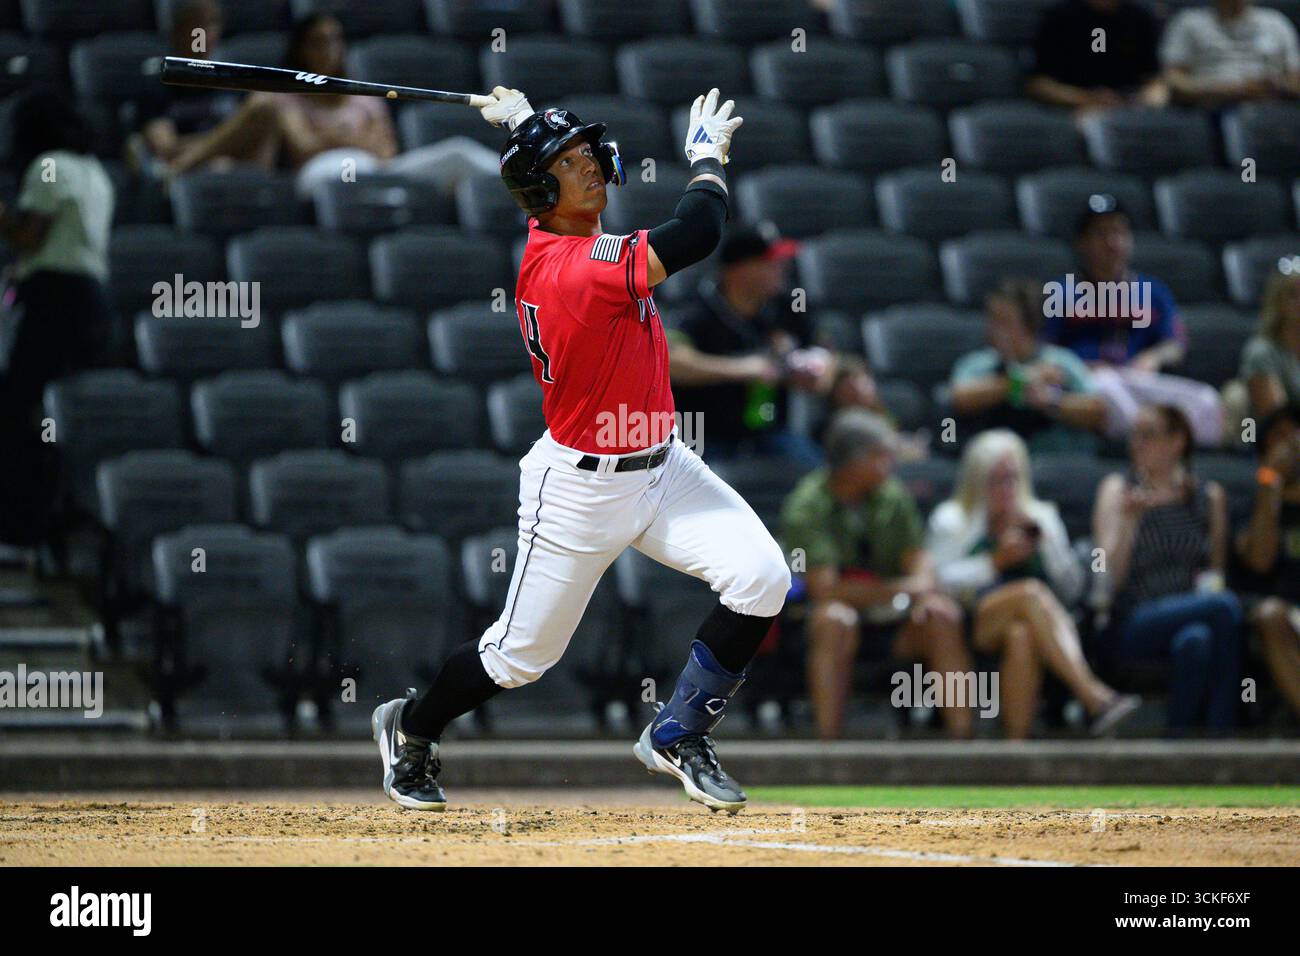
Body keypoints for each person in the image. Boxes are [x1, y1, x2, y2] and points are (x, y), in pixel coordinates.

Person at [372, 88, 792, 814]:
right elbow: (695, 231)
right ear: (541, 190)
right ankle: (411, 729)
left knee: (761, 578)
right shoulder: (574, 266)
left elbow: (594, 219)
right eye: (568, 164)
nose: (591, 167)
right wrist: (706, 159)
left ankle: (679, 732)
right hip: (579, 489)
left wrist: (527, 120)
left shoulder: (572, 239)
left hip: (663, 465)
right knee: (518, 658)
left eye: (588, 154)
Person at [926, 430, 1140, 738]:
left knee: (1022, 634)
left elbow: (1071, 587)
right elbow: (940, 579)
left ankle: (1016, 752)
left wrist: (1046, 544)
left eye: (1012, 478)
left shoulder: (1042, 517)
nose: (1006, 488)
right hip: (971, 620)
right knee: (1030, 594)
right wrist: (995, 562)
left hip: (1034, 621)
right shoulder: (953, 518)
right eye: (995, 479)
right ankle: (1093, 696)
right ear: (977, 480)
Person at [781, 410, 973, 740]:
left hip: (892, 622)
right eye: (880, 456)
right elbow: (826, 590)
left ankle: (965, 746)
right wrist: (904, 587)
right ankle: (829, 750)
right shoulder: (806, 505)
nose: (891, 463)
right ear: (853, 461)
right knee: (835, 619)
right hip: (822, 624)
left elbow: (920, 564)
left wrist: (918, 587)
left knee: (941, 614)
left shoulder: (892, 495)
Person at [169, 12, 499, 199]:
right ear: (301, 49)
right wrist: (351, 138)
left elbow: (385, 151)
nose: (329, 49)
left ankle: (534, 180)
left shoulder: (364, 94)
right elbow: (306, 148)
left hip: (379, 171)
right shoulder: (283, 96)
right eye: (318, 42)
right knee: (341, 171)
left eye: (335, 41)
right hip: (320, 173)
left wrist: (333, 134)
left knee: (459, 152)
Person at [0, 91, 115, 545]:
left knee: (17, 411)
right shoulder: (94, 172)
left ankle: (22, 523)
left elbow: (30, 237)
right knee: (52, 415)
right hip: (90, 301)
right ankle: (49, 517)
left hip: (55, 300)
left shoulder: (48, 167)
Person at [1092, 405, 1242, 733]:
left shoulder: (1208, 497)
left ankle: (1176, 747)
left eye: (1149, 435)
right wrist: (1128, 524)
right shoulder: (1117, 490)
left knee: (1196, 640)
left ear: (1177, 442)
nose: (1137, 444)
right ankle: (1224, 738)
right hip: (1134, 617)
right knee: (1226, 606)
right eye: (1135, 435)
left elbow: (1214, 575)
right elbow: (1103, 575)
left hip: (1193, 609)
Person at [1045, 199, 1225, 446]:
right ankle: (1149, 443)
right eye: (1101, 233)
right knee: (1107, 387)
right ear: (1082, 243)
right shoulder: (1062, 292)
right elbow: (1044, 351)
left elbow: (1175, 344)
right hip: (1087, 384)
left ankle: (1176, 460)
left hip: (1138, 381)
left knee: (1207, 400)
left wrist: (1153, 358)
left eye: (1118, 231)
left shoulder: (1153, 291)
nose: (1111, 242)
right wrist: (1078, 367)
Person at [666, 222, 830, 468]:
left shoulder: (787, 305)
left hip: (770, 432)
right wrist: (744, 369)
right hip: (705, 437)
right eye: (768, 261)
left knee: (817, 473)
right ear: (738, 270)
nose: (780, 268)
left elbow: (825, 353)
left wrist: (813, 369)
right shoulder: (698, 308)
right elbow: (672, 362)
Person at [950, 278, 1106, 454]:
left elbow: (1097, 411)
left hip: (1054, 463)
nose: (993, 329)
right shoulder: (977, 364)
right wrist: (1020, 381)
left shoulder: (1061, 361)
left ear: (1030, 324)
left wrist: (1052, 401)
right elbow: (959, 398)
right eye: (992, 319)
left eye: (1004, 321)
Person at [1237, 403, 1300, 721]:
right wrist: (1270, 481)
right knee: (1270, 616)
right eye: (1280, 438)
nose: (1292, 444)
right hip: (1286, 616)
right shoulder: (1253, 502)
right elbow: (1260, 560)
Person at [132, 0, 243, 174]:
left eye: (211, 23)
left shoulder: (232, 79)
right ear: (177, 33)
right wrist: (226, 142)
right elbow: (166, 147)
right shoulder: (156, 83)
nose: (204, 34)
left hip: (231, 168)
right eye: (196, 26)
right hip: (185, 174)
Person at [1027, 0, 1168, 112]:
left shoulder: (1140, 18)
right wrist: (1086, 99)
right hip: (1070, 107)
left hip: (1128, 109)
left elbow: (1154, 79)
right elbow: (1040, 85)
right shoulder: (1058, 17)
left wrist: (1142, 101)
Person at [1161, 0, 1300, 107]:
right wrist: (1231, 90)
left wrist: (1274, 85)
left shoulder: (1276, 23)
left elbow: (1295, 81)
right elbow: (1174, 80)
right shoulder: (1188, 22)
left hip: (1270, 109)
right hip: (1208, 109)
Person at [1240, 268, 1300, 420]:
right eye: (1293, 295)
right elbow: (1277, 420)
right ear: (1278, 302)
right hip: (1280, 438)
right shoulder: (1261, 352)